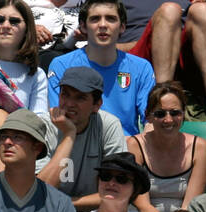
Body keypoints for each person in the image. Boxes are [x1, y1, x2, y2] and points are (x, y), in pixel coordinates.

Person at [46, 0, 153, 137]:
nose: (103, 25)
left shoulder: (141, 67)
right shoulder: (62, 65)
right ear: (83, 27)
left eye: (111, 19)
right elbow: (59, 118)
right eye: (95, 19)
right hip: (79, 145)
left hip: (126, 149)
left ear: (122, 27)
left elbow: (151, 120)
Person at [38, 67, 126, 212]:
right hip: (47, 211)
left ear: (97, 105)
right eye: (65, 95)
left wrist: (68, 204)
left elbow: (117, 191)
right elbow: (40, 190)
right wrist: (69, 134)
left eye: (80, 98)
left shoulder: (108, 125)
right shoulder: (43, 125)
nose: (70, 103)